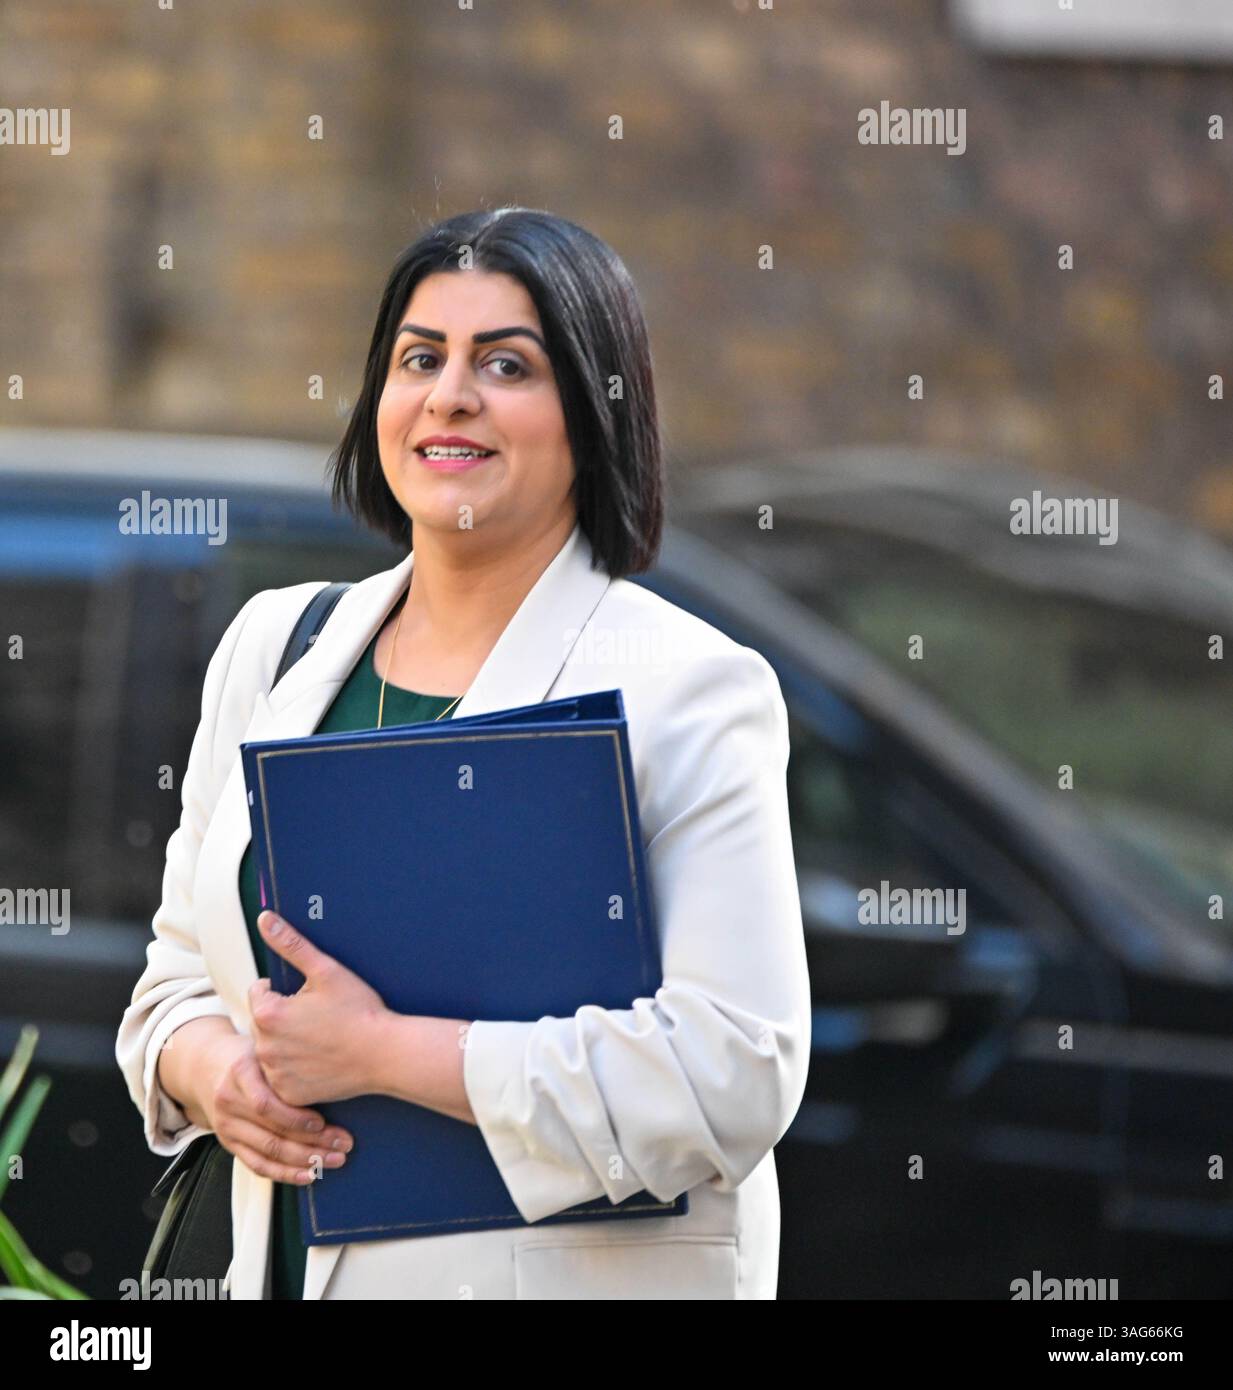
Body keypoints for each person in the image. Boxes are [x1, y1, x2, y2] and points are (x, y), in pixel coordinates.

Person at [115, 207, 812, 1300]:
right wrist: (212, 1072)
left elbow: (735, 1072)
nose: (451, 394)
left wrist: (387, 1054)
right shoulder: (276, 650)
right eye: (420, 357)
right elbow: (172, 977)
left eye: (507, 364)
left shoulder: (689, 689)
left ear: (592, 410)